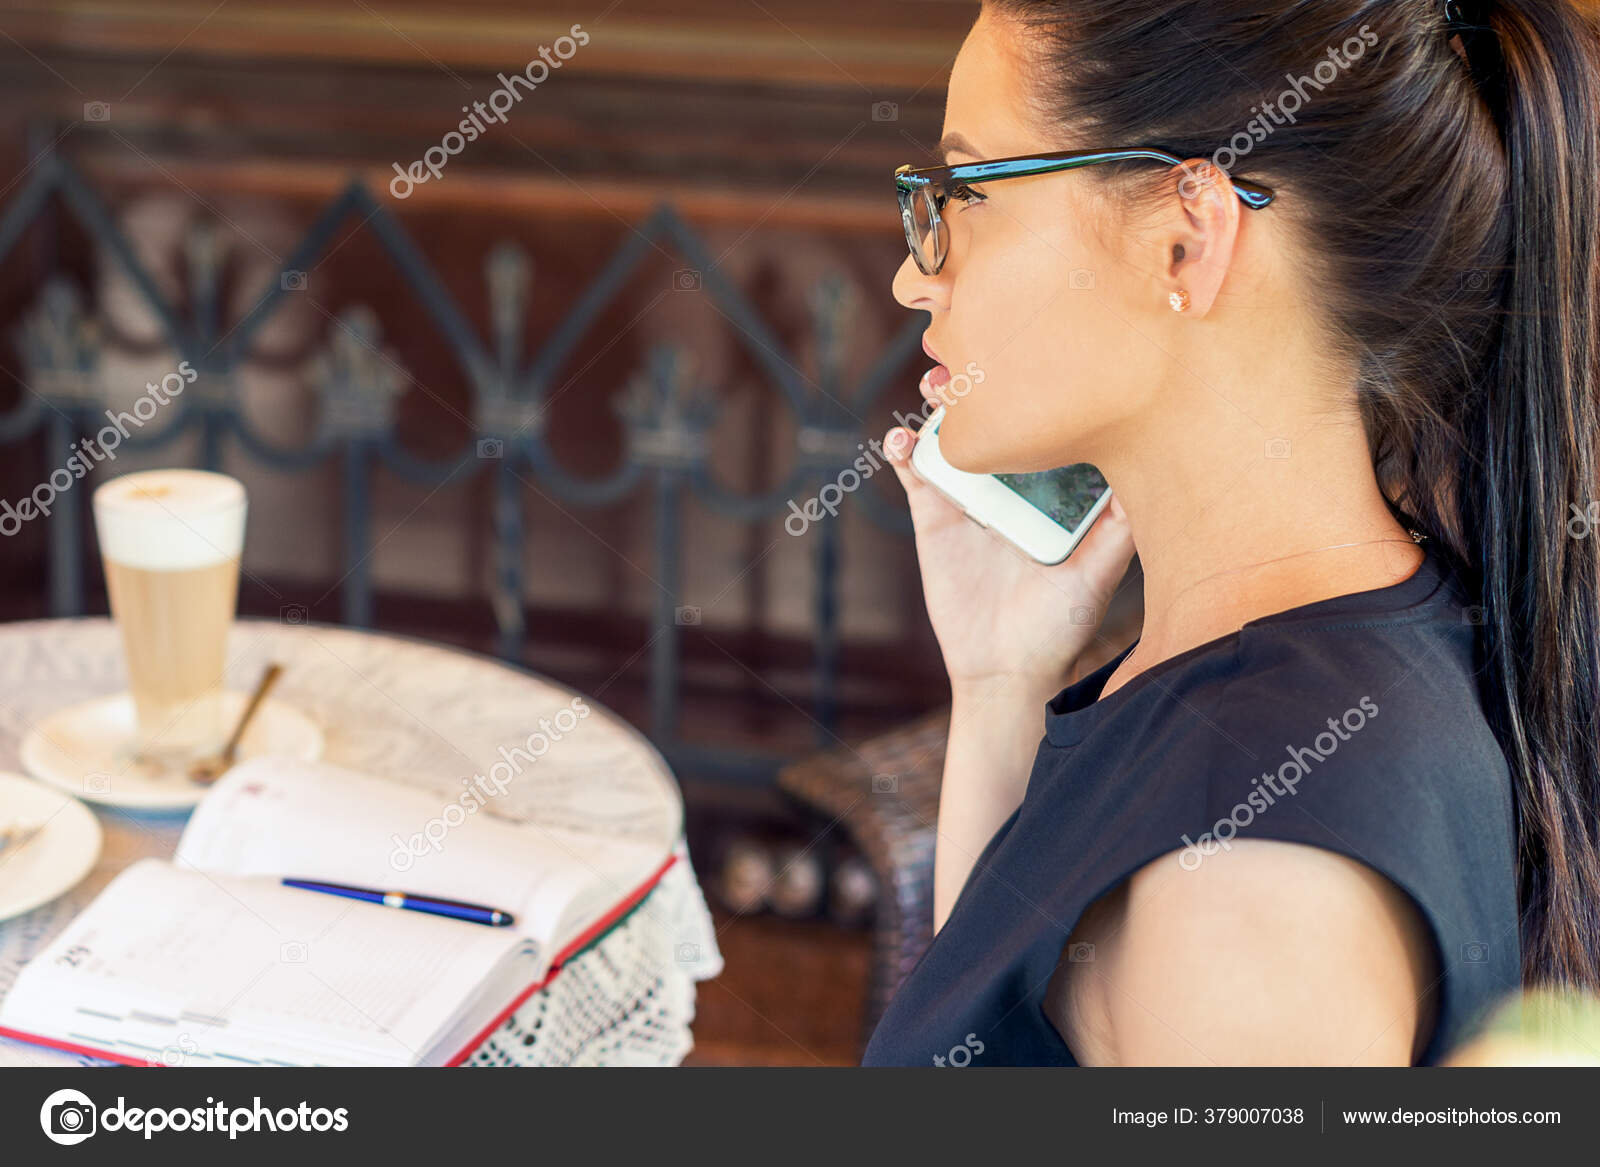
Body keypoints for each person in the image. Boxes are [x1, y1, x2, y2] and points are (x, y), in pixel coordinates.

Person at [863, 0, 1600, 1066]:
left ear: (1186, 236)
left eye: (967, 192)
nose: (913, 271)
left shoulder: (1255, 886)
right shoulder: (1339, 639)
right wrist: (1001, 686)